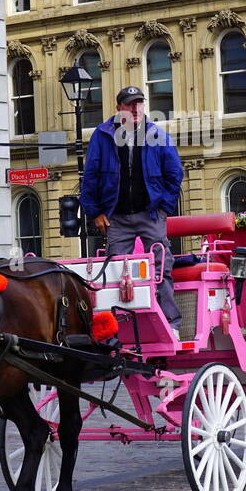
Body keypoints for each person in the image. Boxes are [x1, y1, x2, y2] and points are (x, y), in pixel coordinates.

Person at [79, 86, 184, 337]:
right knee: (115, 272)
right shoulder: (102, 136)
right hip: (118, 218)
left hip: (150, 215)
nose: (135, 108)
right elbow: (90, 176)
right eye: (129, 104)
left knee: (161, 266)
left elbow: (175, 174)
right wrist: (95, 212)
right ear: (119, 109)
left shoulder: (156, 134)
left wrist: (163, 209)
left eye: (139, 103)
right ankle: (118, 329)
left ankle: (171, 324)